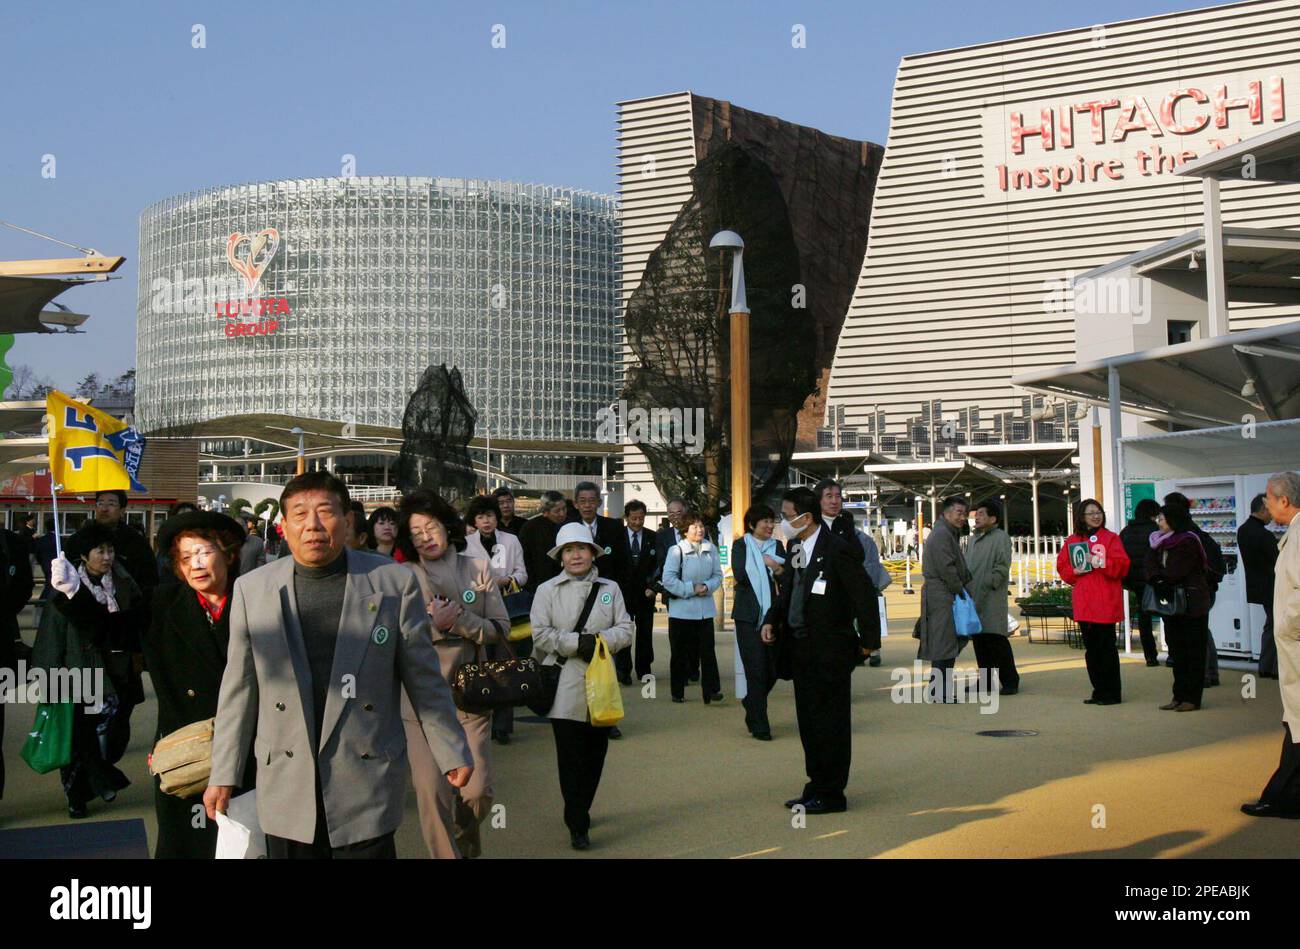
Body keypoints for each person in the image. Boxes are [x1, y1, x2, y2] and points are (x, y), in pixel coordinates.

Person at [203, 471, 472, 860]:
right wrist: (224, 773)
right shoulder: (252, 589)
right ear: (284, 525)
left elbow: (424, 678)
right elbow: (238, 690)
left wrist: (450, 748)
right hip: (286, 773)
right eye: (299, 514)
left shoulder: (393, 583)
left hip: (364, 770)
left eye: (325, 512)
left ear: (347, 522)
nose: (312, 525)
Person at [396, 490, 507, 858]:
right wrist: (432, 625)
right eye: (416, 533)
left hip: (470, 695)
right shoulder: (400, 577)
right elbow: (391, 638)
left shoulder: (478, 568)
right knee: (431, 793)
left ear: (448, 527)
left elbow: (501, 628)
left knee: (477, 791)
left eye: (431, 527)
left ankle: (465, 845)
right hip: (420, 702)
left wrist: (461, 621)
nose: (426, 537)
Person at [142, 511, 254, 858]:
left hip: (247, 750)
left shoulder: (255, 601)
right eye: (186, 557)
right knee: (185, 846)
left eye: (204, 552)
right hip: (187, 751)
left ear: (228, 553)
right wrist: (75, 595)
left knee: (243, 844)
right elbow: (111, 632)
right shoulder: (162, 604)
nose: (196, 564)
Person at [772, 487, 879, 813]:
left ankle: (833, 793)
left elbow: (864, 596)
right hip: (800, 649)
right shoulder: (796, 548)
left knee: (831, 724)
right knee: (808, 722)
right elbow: (789, 591)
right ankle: (815, 784)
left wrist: (868, 643)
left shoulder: (838, 549)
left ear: (806, 517)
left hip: (831, 651)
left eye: (788, 516)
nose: (784, 522)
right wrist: (770, 620)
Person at [530, 521, 632, 849]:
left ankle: (581, 805)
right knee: (570, 756)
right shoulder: (546, 590)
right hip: (563, 684)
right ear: (561, 557)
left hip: (601, 683)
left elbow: (627, 629)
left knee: (595, 754)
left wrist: (599, 641)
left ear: (592, 553)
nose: (576, 555)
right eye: (569, 550)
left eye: (581, 549)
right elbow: (540, 634)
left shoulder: (610, 588)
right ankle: (577, 819)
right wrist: (577, 644)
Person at [37, 526, 145, 818]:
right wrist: (49, 678)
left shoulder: (124, 582)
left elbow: (135, 624)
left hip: (119, 672)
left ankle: (101, 776)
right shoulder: (65, 586)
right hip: (79, 673)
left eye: (110, 550)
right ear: (84, 556)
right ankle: (77, 796)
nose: (107, 557)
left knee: (114, 737)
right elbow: (51, 636)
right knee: (78, 740)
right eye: (100, 551)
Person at [1243, 472, 1300, 819]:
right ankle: (1283, 795)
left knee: (1295, 720)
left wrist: (1288, 626)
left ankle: (1281, 796)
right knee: (1294, 720)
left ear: (1283, 500)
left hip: (1296, 641)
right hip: (1293, 640)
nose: (1265, 503)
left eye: (1268, 496)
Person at [463, 494, 527, 746]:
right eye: (480, 517)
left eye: (489, 515)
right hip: (477, 611)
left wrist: (508, 580)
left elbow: (522, 572)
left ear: (496, 517)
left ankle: (502, 726)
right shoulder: (466, 544)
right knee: (480, 665)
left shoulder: (511, 540)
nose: (486, 521)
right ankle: (481, 723)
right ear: (474, 521)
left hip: (505, 610)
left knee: (505, 666)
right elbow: (461, 576)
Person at [1057, 499, 1130, 706]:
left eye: (1098, 512)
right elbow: (1062, 568)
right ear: (1081, 516)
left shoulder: (1111, 538)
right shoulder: (1072, 540)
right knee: (1092, 650)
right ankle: (1099, 690)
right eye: (1091, 513)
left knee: (1106, 648)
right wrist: (1074, 572)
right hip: (1084, 602)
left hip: (1105, 601)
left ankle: (1112, 692)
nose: (1096, 516)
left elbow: (1122, 566)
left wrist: (1100, 562)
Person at [1145, 503, 1212, 712]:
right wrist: (1157, 579)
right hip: (1172, 604)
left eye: (1163, 518)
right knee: (1177, 650)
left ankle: (1192, 697)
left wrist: (1163, 580)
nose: (1159, 522)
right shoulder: (1158, 541)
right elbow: (1149, 563)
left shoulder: (1188, 541)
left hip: (1192, 603)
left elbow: (1179, 569)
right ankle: (1178, 695)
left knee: (1193, 651)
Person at [815, 479, 887, 667]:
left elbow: (859, 560)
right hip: (817, 608)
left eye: (838, 496)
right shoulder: (811, 527)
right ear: (818, 501)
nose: (834, 501)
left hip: (843, 606)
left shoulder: (847, 528)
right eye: (829, 496)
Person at [731, 503, 785, 740]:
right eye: (765, 521)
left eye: (772, 521)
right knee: (756, 670)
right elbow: (741, 574)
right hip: (748, 616)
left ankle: (750, 702)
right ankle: (761, 725)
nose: (770, 525)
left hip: (774, 616)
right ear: (752, 524)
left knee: (774, 668)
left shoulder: (779, 547)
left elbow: (788, 576)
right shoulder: (741, 545)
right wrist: (761, 565)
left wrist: (774, 566)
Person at [661, 510, 723, 704]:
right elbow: (668, 580)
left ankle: (712, 690)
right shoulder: (676, 551)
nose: (699, 530)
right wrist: (691, 588)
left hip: (704, 611)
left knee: (708, 652)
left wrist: (707, 586)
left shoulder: (711, 549)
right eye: (695, 526)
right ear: (684, 530)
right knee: (679, 653)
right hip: (681, 611)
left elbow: (718, 575)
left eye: (701, 526)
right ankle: (677, 691)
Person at [1165, 491, 1226, 687]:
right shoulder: (1197, 533)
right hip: (1205, 588)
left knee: (1194, 634)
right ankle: (1210, 672)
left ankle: (1203, 675)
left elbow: (1180, 570)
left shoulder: (1185, 538)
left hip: (1194, 591)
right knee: (1201, 632)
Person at [915, 496, 972, 702]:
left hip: (942, 593)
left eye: (964, 514)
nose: (962, 518)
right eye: (959, 513)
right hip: (943, 594)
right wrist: (961, 591)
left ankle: (939, 689)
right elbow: (946, 568)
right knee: (944, 643)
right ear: (946, 512)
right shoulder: (942, 535)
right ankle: (939, 691)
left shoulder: (945, 532)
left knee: (945, 642)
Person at [964, 499, 1018, 694]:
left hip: (992, 597)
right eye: (976, 514)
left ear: (993, 518)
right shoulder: (973, 539)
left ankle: (1010, 680)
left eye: (981, 514)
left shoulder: (1001, 537)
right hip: (974, 596)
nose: (976, 517)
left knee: (997, 639)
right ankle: (985, 681)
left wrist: (990, 582)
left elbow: (1002, 566)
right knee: (980, 641)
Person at [654, 497, 699, 682]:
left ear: (686, 512)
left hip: (696, 591)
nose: (675, 517)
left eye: (678, 513)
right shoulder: (662, 536)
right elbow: (661, 563)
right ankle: (681, 671)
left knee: (695, 634)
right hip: (674, 592)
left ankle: (694, 668)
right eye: (671, 513)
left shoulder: (696, 532)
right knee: (677, 635)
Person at [1239, 493, 1280, 679]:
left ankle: (1266, 665)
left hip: (1257, 585)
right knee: (1276, 627)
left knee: (1270, 626)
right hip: (1274, 586)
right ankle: (1272, 667)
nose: (1272, 515)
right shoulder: (1264, 535)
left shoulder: (1243, 530)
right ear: (1263, 509)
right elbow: (1278, 561)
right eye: (1270, 510)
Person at [618, 500, 659, 685]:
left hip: (645, 594)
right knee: (623, 632)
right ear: (626, 517)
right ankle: (623, 670)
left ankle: (644, 669)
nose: (637, 522)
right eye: (633, 518)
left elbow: (658, 566)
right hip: (622, 595)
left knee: (644, 633)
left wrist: (654, 587)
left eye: (641, 518)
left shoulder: (653, 537)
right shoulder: (616, 536)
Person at [1120, 498, 1163, 666]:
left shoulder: (1126, 531)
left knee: (1144, 618)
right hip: (1154, 580)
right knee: (1166, 613)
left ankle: (1150, 656)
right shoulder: (1156, 531)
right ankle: (1173, 654)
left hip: (1134, 582)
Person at [520, 491, 575, 594]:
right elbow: (524, 558)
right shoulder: (530, 528)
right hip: (539, 585)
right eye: (557, 511)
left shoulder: (572, 525)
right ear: (545, 512)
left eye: (564, 509)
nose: (562, 513)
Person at [156, 502, 201, 588]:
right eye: (180, 518)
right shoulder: (166, 550)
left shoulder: (204, 547)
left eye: (189, 518)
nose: (185, 523)